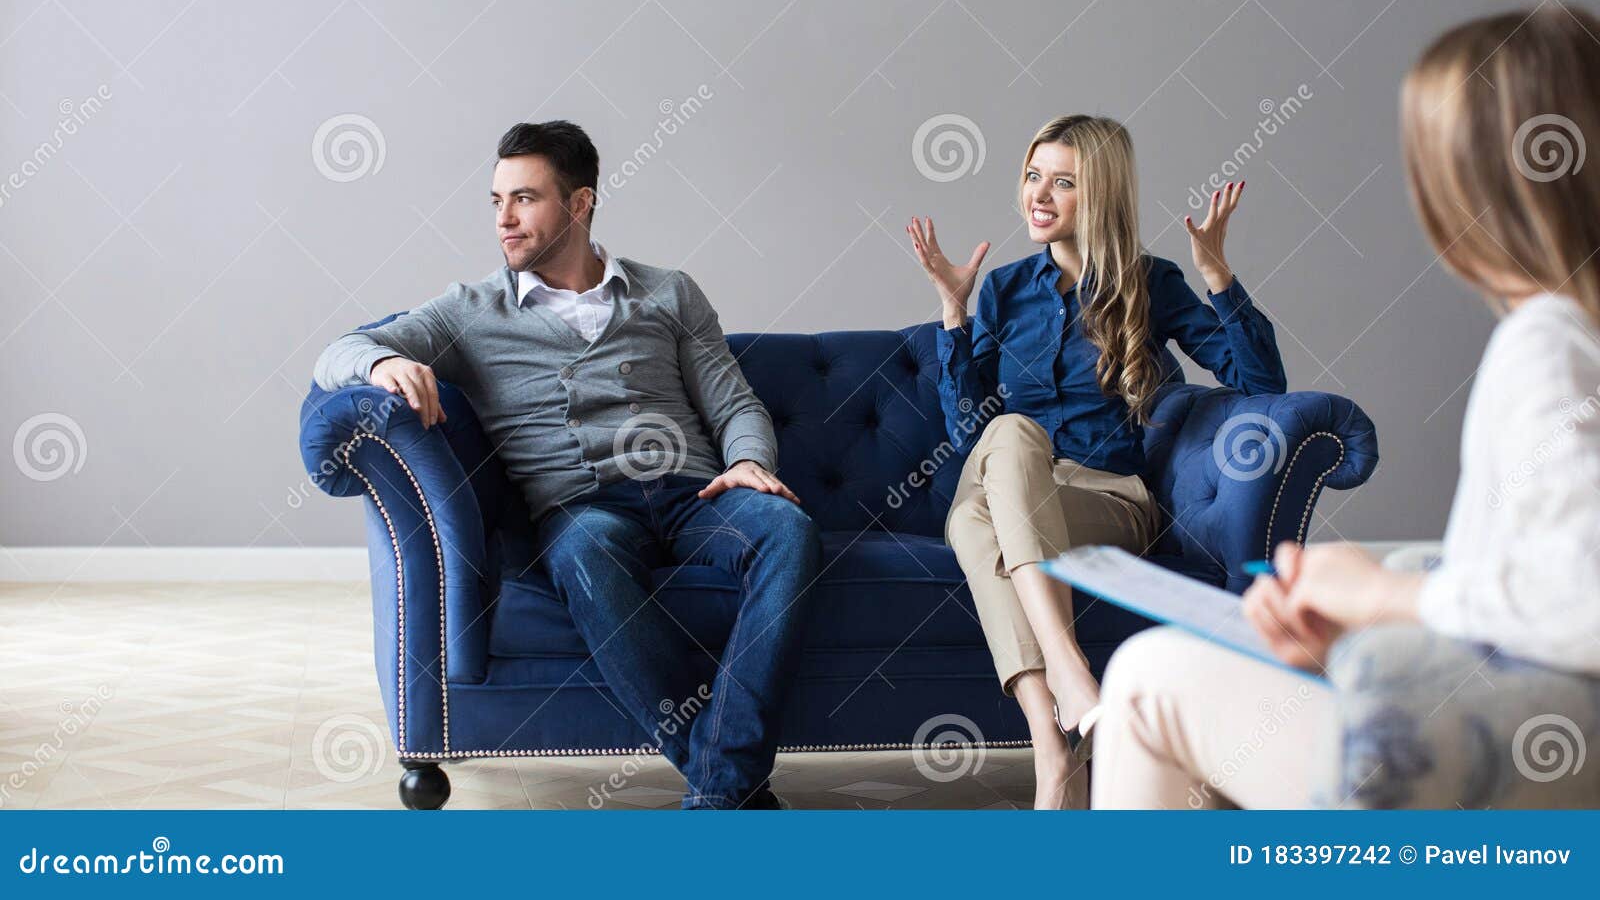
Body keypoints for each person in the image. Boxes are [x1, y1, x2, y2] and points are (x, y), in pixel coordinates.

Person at [1091, 3, 1600, 809]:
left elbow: (1582, 594)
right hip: (1504, 718)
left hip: (1494, 756)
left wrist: (1385, 596)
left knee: (1147, 679)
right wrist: (1365, 614)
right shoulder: (1570, 336)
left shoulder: (1547, 344)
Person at [312, 120, 821, 810]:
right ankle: (729, 786)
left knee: (788, 529)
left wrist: (749, 462)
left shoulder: (669, 292)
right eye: (497, 201)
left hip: (695, 494)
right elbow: (337, 351)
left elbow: (735, 403)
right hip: (584, 509)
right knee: (586, 554)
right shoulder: (471, 310)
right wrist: (382, 362)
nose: (504, 219)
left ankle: (720, 787)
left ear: (580, 204)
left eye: (524, 199)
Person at [907, 114, 1287, 808]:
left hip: (1106, 498)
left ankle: (1063, 697)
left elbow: (1262, 386)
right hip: (1009, 481)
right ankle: (1058, 744)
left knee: (972, 522)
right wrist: (954, 314)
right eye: (1032, 176)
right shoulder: (1003, 290)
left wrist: (1219, 275)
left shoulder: (1150, 282)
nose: (1038, 194)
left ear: (1101, 193)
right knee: (1003, 452)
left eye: (1063, 182)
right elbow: (969, 434)